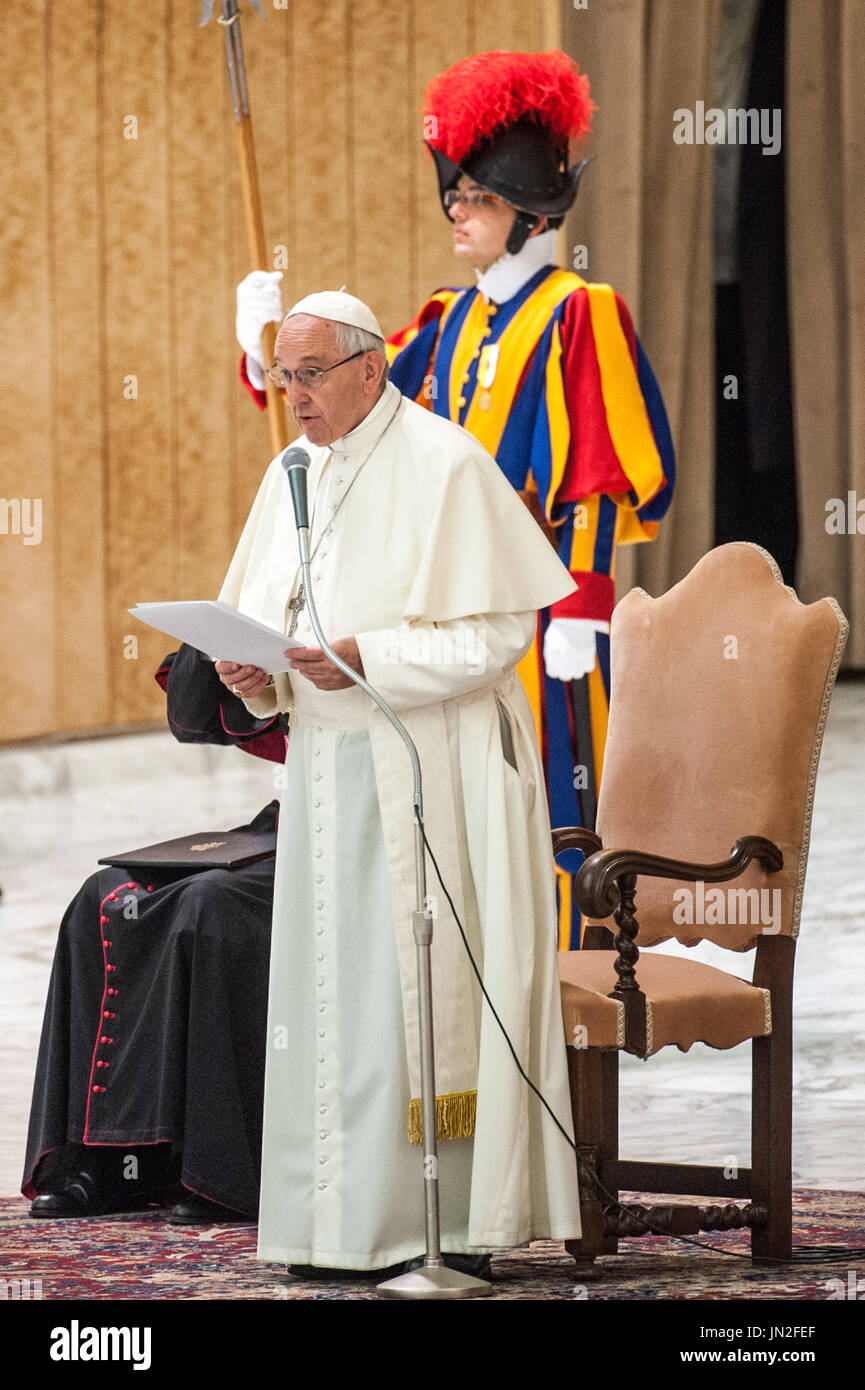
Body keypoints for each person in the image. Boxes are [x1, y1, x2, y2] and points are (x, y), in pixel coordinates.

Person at [236, 50, 675, 950]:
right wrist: (259, 350)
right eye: (454, 196)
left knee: (557, 785)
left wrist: (582, 605)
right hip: (443, 595)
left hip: (537, 601)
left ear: (529, 212)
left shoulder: (580, 310)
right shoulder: (444, 317)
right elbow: (353, 400)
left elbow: (598, 465)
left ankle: (570, 965)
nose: (455, 214)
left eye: (475, 198)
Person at [217, 289, 581, 1273]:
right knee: (333, 1008)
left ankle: (441, 1229)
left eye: (310, 373)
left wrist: (368, 653)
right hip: (329, 772)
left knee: (408, 1003)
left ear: (370, 367)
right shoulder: (291, 472)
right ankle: (333, 1227)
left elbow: (502, 631)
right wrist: (256, 678)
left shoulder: (444, 463)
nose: (291, 395)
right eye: (283, 374)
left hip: (434, 770)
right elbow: (265, 628)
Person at [22, 646, 284, 1223]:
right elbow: (198, 722)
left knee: (206, 903)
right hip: (288, 812)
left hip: (360, 816)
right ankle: (113, 1160)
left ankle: (212, 1168)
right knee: (107, 894)